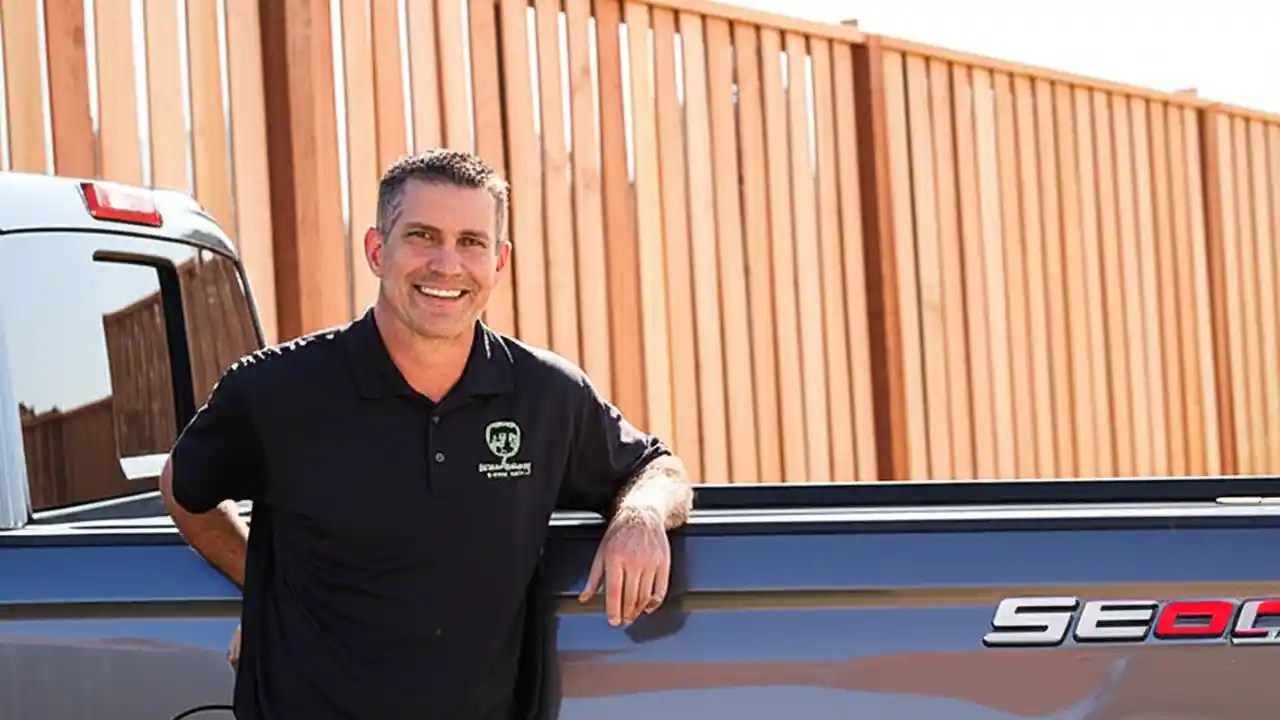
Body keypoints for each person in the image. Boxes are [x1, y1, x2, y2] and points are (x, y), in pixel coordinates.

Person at [158, 149, 694, 719]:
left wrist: (638, 518)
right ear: (375, 250)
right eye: (421, 235)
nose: (446, 265)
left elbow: (657, 467)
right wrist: (261, 589)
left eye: (471, 242)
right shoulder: (278, 392)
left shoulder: (544, 396)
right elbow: (184, 486)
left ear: (499, 260)